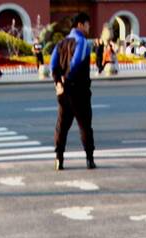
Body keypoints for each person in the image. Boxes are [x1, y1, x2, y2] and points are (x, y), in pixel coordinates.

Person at [50, 11, 95, 170]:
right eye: (88, 24)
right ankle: (89, 159)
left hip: (63, 91)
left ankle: (59, 158)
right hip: (79, 91)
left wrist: (58, 82)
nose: (89, 27)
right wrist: (67, 80)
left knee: (61, 126)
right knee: (84, 126)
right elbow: (76, 62)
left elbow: (53, 65)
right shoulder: (82, 42)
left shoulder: (60, 44)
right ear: (80, 25)